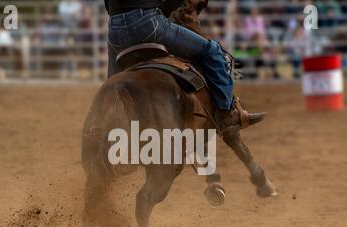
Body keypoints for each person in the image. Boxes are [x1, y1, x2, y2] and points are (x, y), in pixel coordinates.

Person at [103, 0, 246, 133]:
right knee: (211, 50)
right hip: (149, 24)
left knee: (112, 83)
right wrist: (165, 12)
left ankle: (103, 117)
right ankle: (226, 114)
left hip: (115, 31)